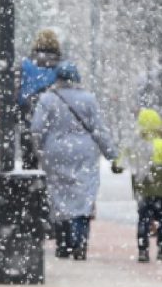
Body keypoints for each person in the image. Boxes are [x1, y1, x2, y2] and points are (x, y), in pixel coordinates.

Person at [31, 61, 118, 261]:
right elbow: (99, 129)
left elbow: (37, 128)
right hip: (84, 152)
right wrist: (112, 154)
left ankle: (63, 244)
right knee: (84, 195)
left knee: (59, 196)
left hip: (55, 151)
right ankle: (80, 242)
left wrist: (41, 152)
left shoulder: (48, 99)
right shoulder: (88, 99)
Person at [115, 108, 162, 262]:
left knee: (143, 220)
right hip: (161, 191)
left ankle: (143, 250)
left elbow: (118, 166)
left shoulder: (135, 146)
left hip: (142, 191)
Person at [16, 29, 62, 169]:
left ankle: (30, 182)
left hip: (28, 112)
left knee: (29, 153)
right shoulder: (61, 67)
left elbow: (16, 90)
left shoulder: (25, 65)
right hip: (53, 114)